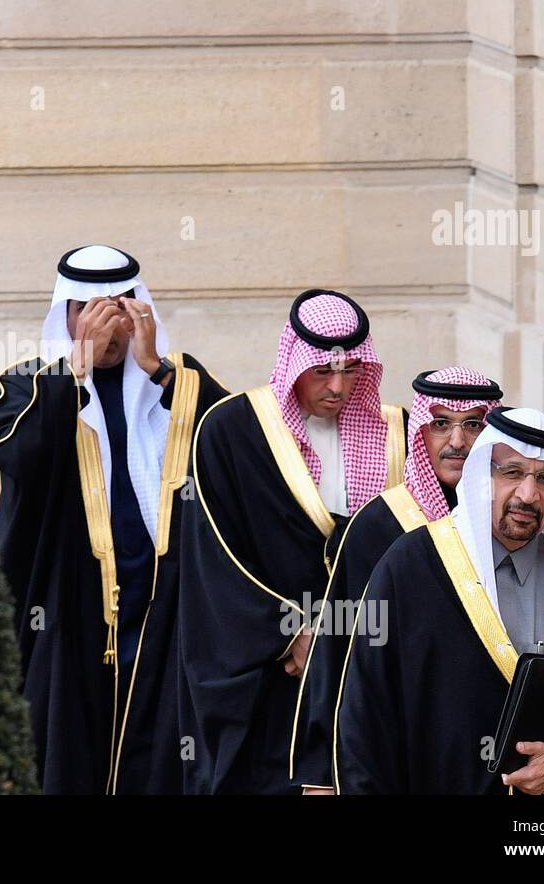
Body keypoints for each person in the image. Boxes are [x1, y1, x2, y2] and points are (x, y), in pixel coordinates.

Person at [0, 244, 227, 794]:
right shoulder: (31, 383)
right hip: (67, 611)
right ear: (65, 315)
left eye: (116, 309)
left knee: (162, 757)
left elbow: (232, 446)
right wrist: (74, 369)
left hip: (163, 607)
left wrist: (155, 365)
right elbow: (17, 451)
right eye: (86, 312)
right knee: (64, 755)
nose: (104, 327)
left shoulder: (176, 382)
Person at [335, 407, 544, 794]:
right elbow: (366, 715)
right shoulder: (411, 567)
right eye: (512, 473)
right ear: (481, 475)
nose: (528, 494)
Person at [178, 289, 407, 793]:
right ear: (293, 360)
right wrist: (288, 633)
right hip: (272, 668)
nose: (338, 386)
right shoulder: (231, 429)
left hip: (366, 659)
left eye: (351, 371)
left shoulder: (397, 432)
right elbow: (213, 561)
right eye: (322, 371)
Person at [290, 366, 502, 792]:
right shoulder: (380, 525)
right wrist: (323, 774)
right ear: (420, 431)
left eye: (473, 425)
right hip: (397, 742)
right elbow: (336, 650)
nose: (457, 442)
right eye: (440, 424)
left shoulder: (512, 526)